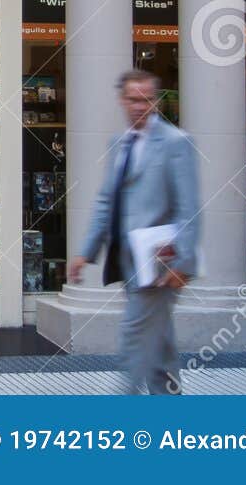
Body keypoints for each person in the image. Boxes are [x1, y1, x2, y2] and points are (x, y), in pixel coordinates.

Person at [68, 69, 199, 395]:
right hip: (126, 259)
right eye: (133, 100)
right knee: (159, 341)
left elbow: (189, 206)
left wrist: (184, 262)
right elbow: (106, 201)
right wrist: (86, 252)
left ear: (156, 102)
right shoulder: (119, 143)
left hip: (161, 262)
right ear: (122, 100)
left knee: (135, 335)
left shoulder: (176, 142)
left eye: (147, 100)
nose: (140, 106)